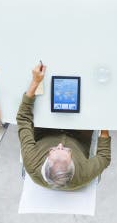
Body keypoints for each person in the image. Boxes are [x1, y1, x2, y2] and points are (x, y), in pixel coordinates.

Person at [17, 62, 111, 190]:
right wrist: (104, 123)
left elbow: (23, 118)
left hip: (46, 128)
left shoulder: (32, 163)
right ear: (72, 165)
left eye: (55, 149)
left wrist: (35, 82)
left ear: (48, 157)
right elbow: (104, 158)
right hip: (80, 130)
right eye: (67, 151)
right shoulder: (83, 175)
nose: (62, 145)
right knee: (91, 83)